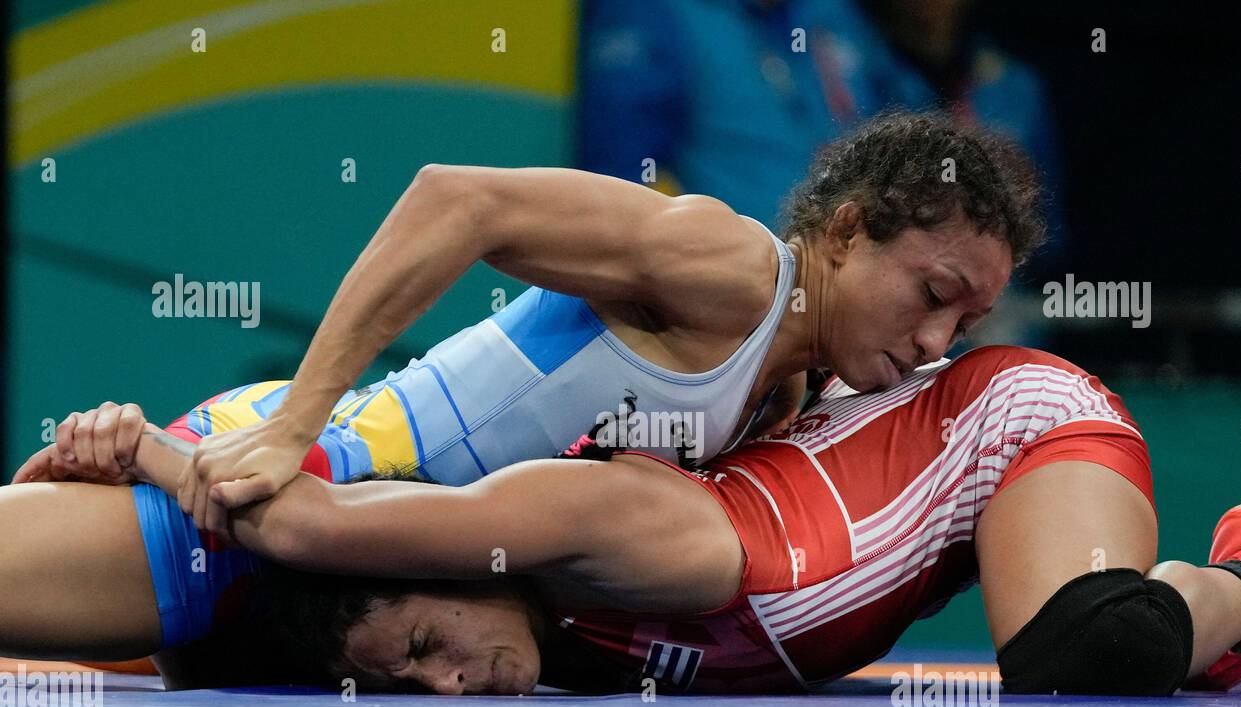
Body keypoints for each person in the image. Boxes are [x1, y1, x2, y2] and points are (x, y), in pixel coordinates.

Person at [9, 345, 1241, 696]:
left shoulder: (585, 519)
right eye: (407, 679)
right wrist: (72, 484)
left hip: (1007, 427)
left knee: (1082, 656)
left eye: (421, 651)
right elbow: (206, 634)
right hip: (832, 456)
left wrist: (157, 461)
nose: (453, 688)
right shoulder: (528, 620)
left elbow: (306, 528)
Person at [162, 112, 1042, 536]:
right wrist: (292, 431)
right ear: (848, 230)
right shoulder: (725, 265)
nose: (935, 345)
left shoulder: (781, 390)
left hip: (333, 548)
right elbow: (455, 200)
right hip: (293, 469)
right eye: (934, 295)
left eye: (963, 326)